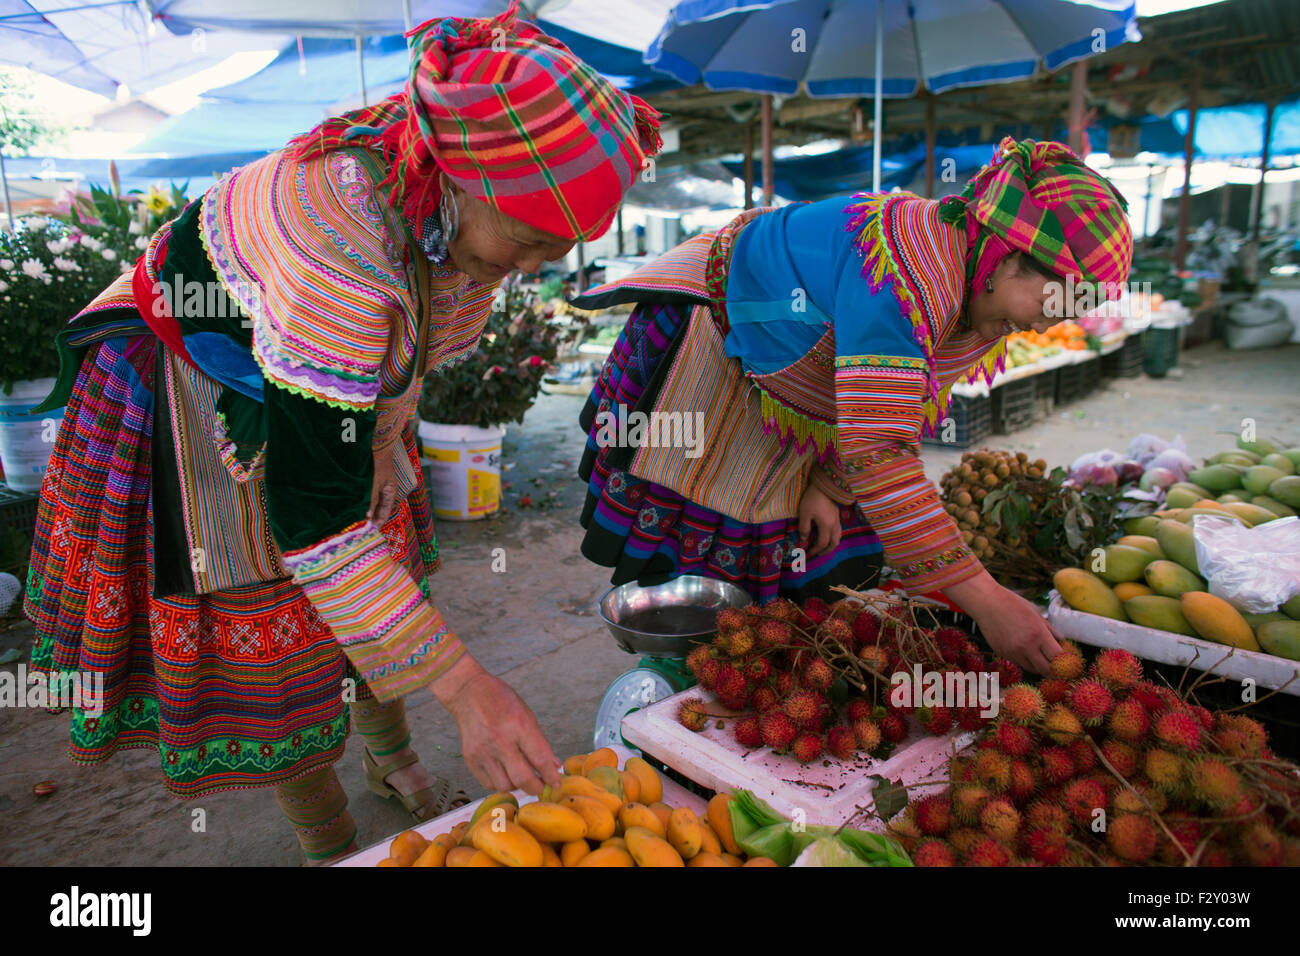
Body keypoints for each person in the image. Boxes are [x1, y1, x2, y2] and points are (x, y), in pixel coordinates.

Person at [24, 6, 661, 864]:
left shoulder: (450, 212)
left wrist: (386, 433)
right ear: (463, 182)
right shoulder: (340, 245)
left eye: (554, 252)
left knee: (384, 552)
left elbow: (418, 340)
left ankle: (391, 755)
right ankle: (329, 839)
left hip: (319, 371)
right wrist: (467, 688)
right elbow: (315, 523)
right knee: (276, 607)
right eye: (526, 245)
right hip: (201, 375)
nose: (531, 271)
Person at [572, 139, 1131, 676]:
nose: (1046, 323)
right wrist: (987, 601)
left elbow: (899, 411)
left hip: (803, 376)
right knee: (708, 544)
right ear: (1006, 257)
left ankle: (739, 670)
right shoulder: (906, 274)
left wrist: (830, 485)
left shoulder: (982, 294)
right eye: (1055, 299)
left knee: (802, 539)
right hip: (718, 332)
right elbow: (881, 449)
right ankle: (672, 688)